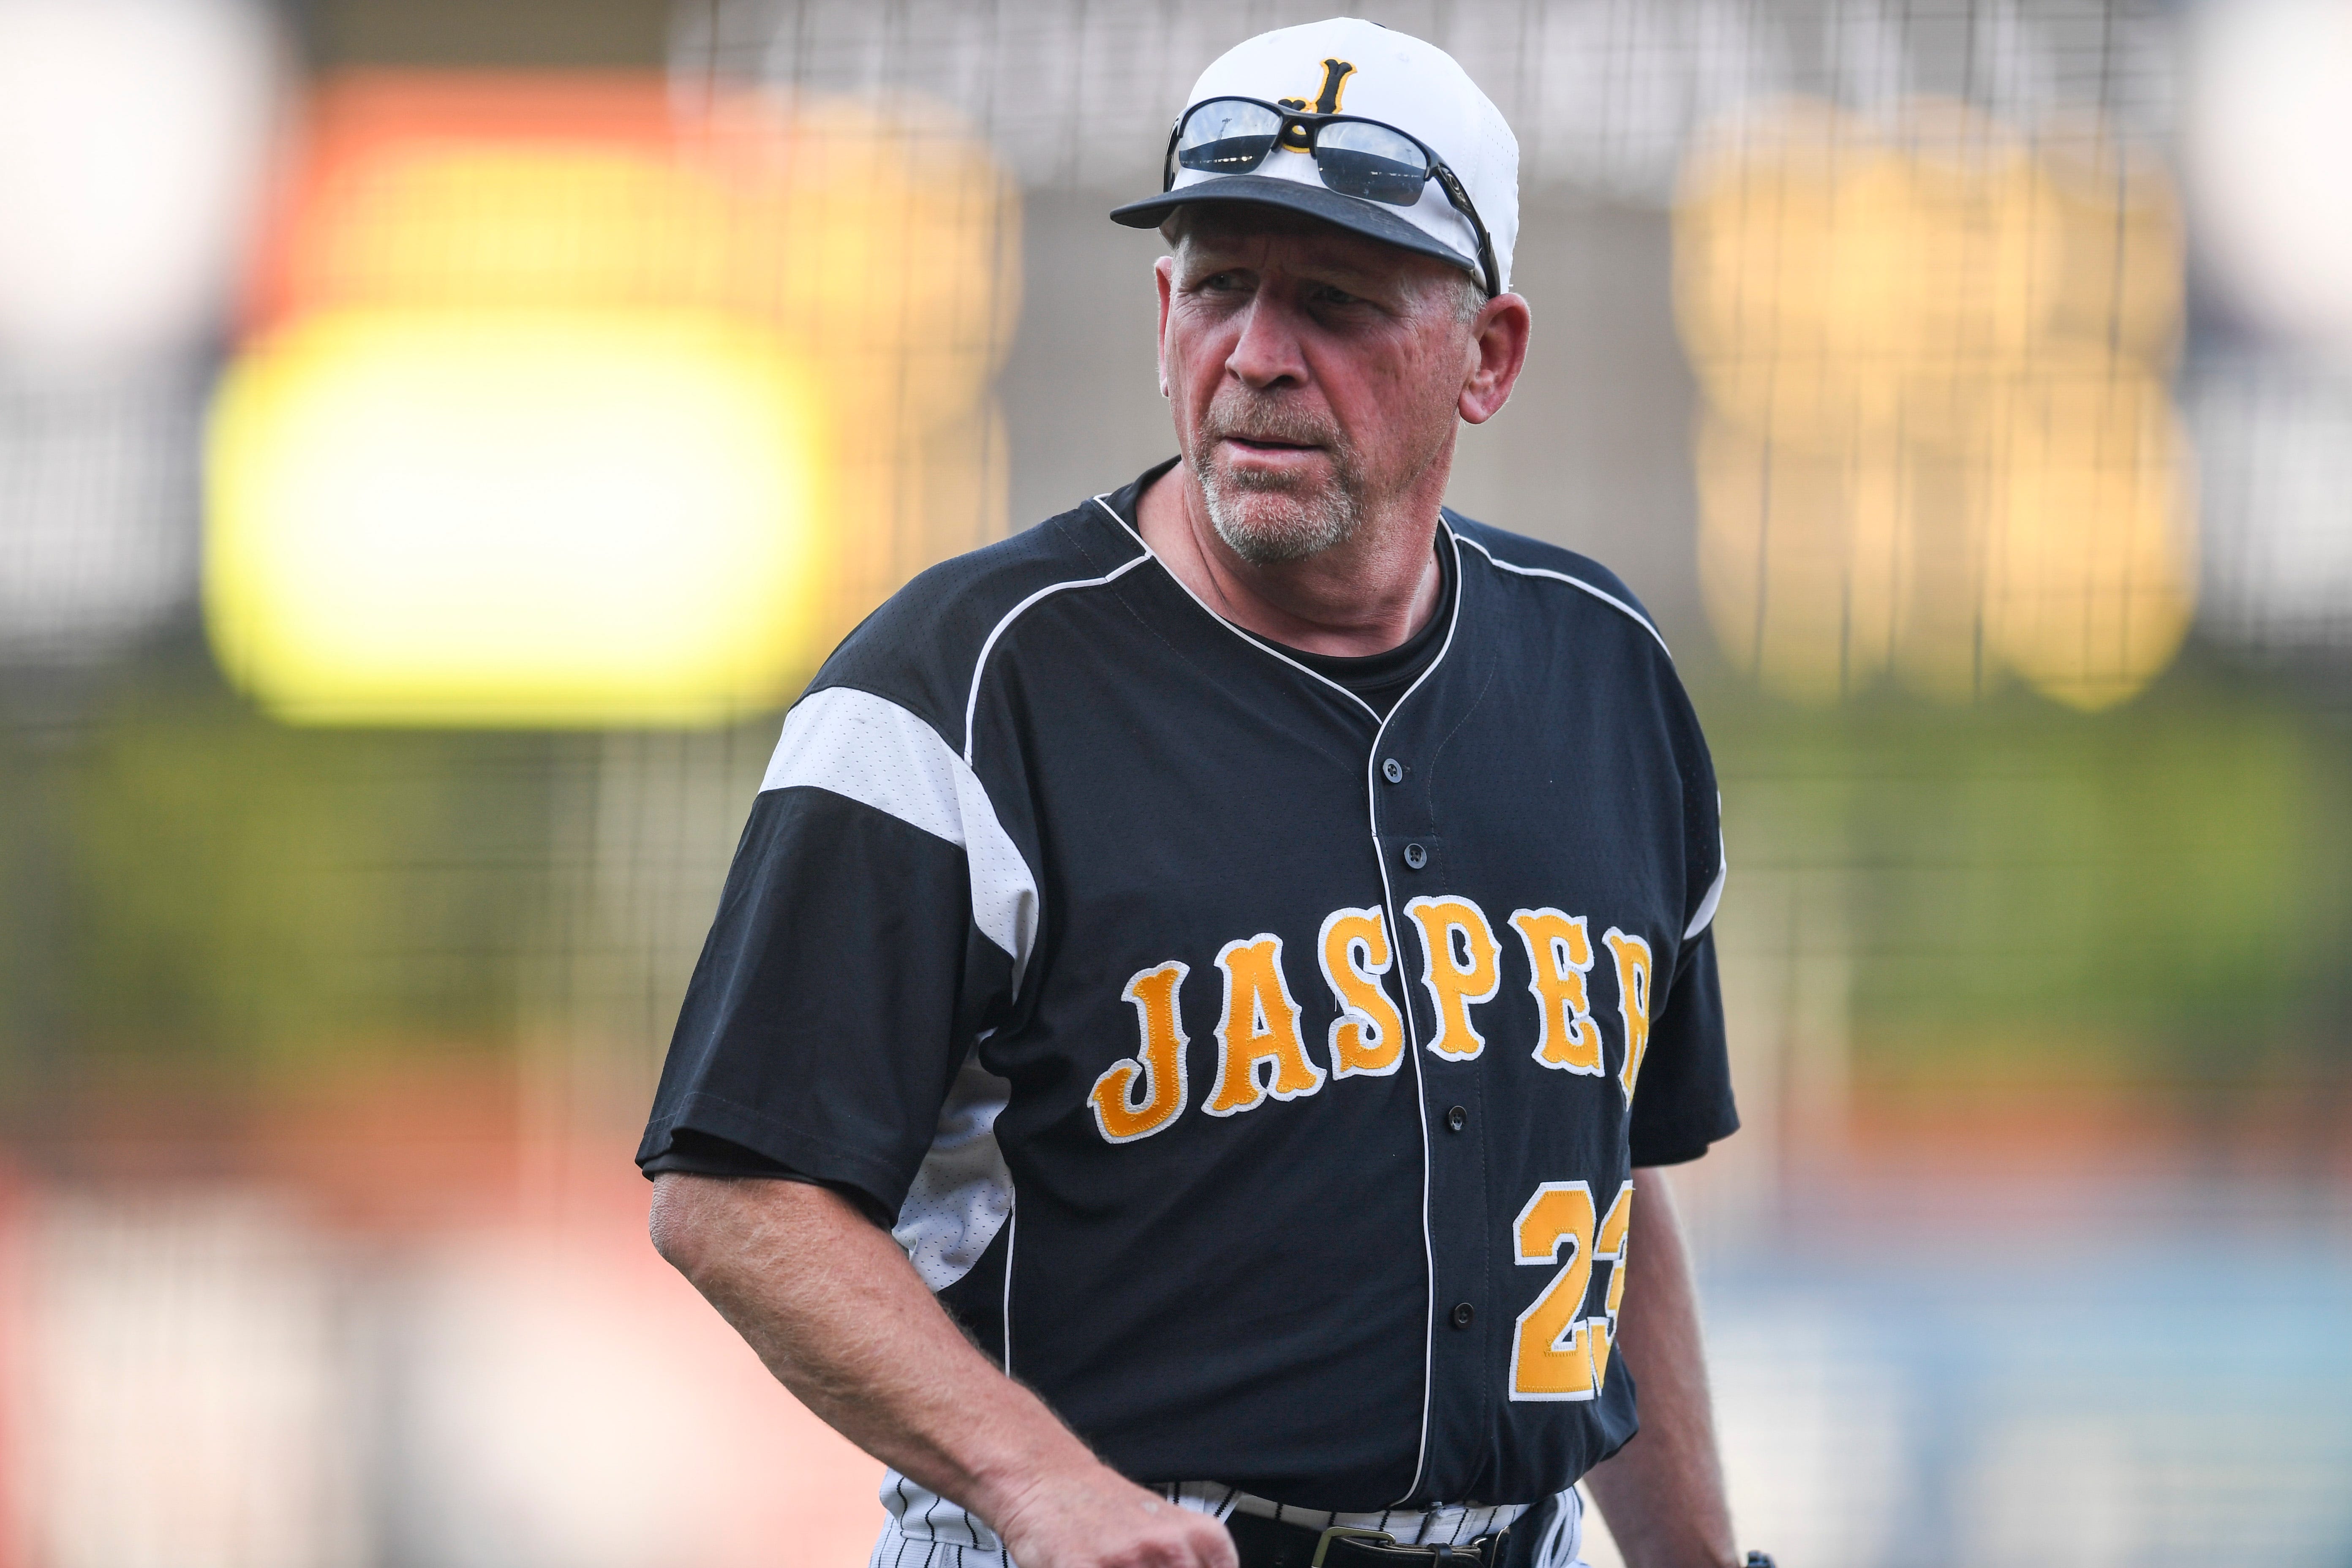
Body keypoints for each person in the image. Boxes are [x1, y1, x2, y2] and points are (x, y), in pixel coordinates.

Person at [641, 17, 1762, 1568]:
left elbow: (1614, 1181)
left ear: (1486, 356)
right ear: (1165, 305)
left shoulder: (1606, 674)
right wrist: (1038, 1484)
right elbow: (737, 1192)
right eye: (1222, 284)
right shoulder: (959, 686)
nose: (1259, 355)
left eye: (1338, 302)